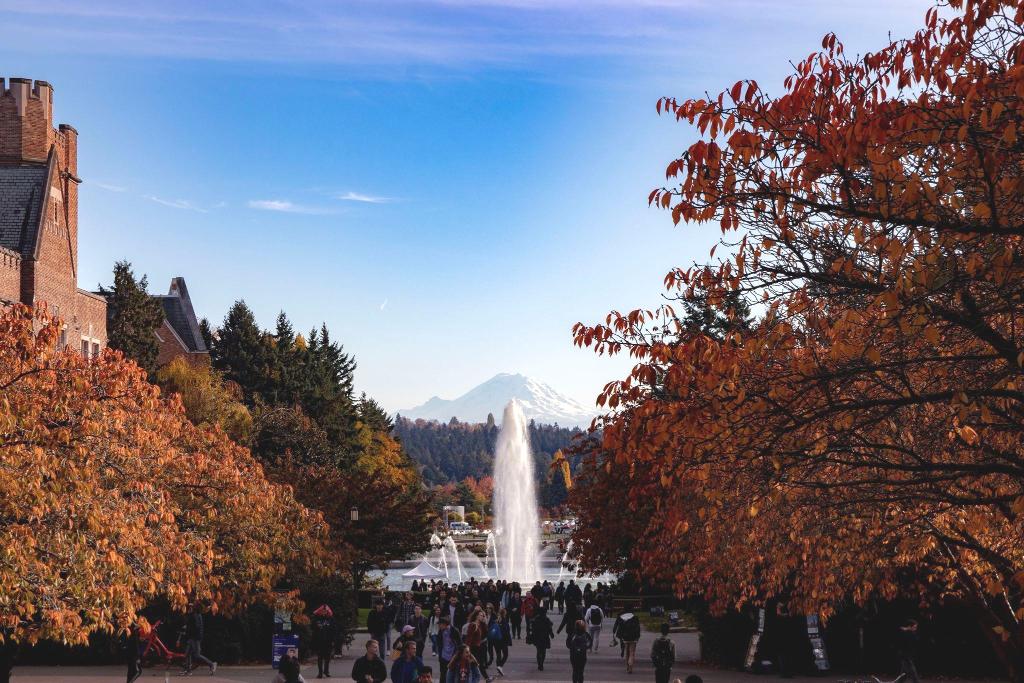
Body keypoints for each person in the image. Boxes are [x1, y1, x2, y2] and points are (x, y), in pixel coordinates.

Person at [181, 602, 217, 676]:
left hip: (195, 638)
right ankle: (188, 670)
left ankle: (211, 664)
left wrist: (188, 629)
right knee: (187, 654)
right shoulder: (195, 614)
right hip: (193, 637)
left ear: (196, 608)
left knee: (197, 655)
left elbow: (196, 627)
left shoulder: (196, 615)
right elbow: (192, 624)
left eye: (193, 606)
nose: (192, 607)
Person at [465, 610, 492, 682]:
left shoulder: (481, 625)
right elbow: (468, 638)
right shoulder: (473, 625)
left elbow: (486, 633)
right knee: (475, 668)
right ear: (476, 616)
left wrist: (484, 621)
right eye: (481, 615)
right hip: (473, 649)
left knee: (476, 667)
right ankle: (486, 678)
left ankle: (486, 678)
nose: (482, 617)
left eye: (483, 615)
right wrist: (468, 650)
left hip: (478, 648)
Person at [313, 604, 338, 679]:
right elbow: (313, 629)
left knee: (327, 657)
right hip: (319, 641)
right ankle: (320, 673)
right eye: (322, 611)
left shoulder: (331, 619)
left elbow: (334, 630)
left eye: (325, 611)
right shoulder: (316, 619)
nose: (324, 612)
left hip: (328, 641)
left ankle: (326, 671)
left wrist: (333, 640)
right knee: (320, 657)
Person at [436, 616, 462, 683]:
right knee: (443, 674)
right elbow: (439, 643)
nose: (439, 626)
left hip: (453, 657)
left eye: (440, 624)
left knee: (452, 674)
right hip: (443, 656)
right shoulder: (440, 631)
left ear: (445, 624)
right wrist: (440, 655)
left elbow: (460, 644)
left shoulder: (454, 630)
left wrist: (457, 656)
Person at [614, 610, 641, 674]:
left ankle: (627, 667)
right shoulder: (635, 617)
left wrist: (619, 636)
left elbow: (620, 628)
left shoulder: (622, 617)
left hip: (625, 637)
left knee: (627, 652)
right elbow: (638, 628)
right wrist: (638, 637)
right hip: (633, 637)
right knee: (632, 653)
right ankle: (630, 667)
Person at [530, 607, 555, 671]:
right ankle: (541, 664)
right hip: (545, 637)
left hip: (537, 637)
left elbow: (532, 629)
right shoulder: (546, 619)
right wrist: (551, 634)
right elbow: (550, 628)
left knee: (538, 651)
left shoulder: (536, 619)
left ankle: (539, 664)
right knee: (543, 652)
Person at [896, 619, 921, 683]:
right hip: (905, 655)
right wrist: (906, 630)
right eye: (914, 627)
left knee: (904, 673)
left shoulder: (912, 633)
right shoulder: (903, 633)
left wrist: (908, 630)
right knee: (913, 672)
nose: (915, 628)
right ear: (909, 626)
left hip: (909, 655)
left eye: (916, 627)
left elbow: (916, 639)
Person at [488, 610, 511, 676]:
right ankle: (500, 666)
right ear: (504, 614)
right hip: (503, 641)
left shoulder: (495, 621)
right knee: (505, 655)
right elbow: (506, 632)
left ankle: (499, 669)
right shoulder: (504, 621)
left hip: (496, 640)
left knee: (498, 654)